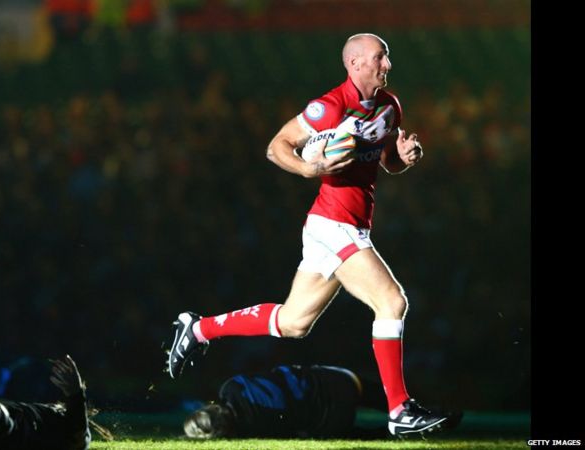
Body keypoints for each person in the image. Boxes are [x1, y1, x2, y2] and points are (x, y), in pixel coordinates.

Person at [167, 33, 453, 438]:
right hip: (334, 223)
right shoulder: (329, 107)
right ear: (354, 64)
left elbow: (386, 160)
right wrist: (308, 168)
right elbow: (276, 146)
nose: (387, 65)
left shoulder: (390, 106)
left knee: (293, 322)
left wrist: (403, 158)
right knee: (392, 302)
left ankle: (197, 329)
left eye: (386, 57)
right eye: (379, 58)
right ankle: (399, 410)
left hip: (340, 225)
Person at [183, 364, 461, 439]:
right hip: (337, 381)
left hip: (331, 421)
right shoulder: (230, 386)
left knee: (374, 435)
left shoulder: (253, 427)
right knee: (393, 401)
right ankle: (435, 412)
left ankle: (398, 433)